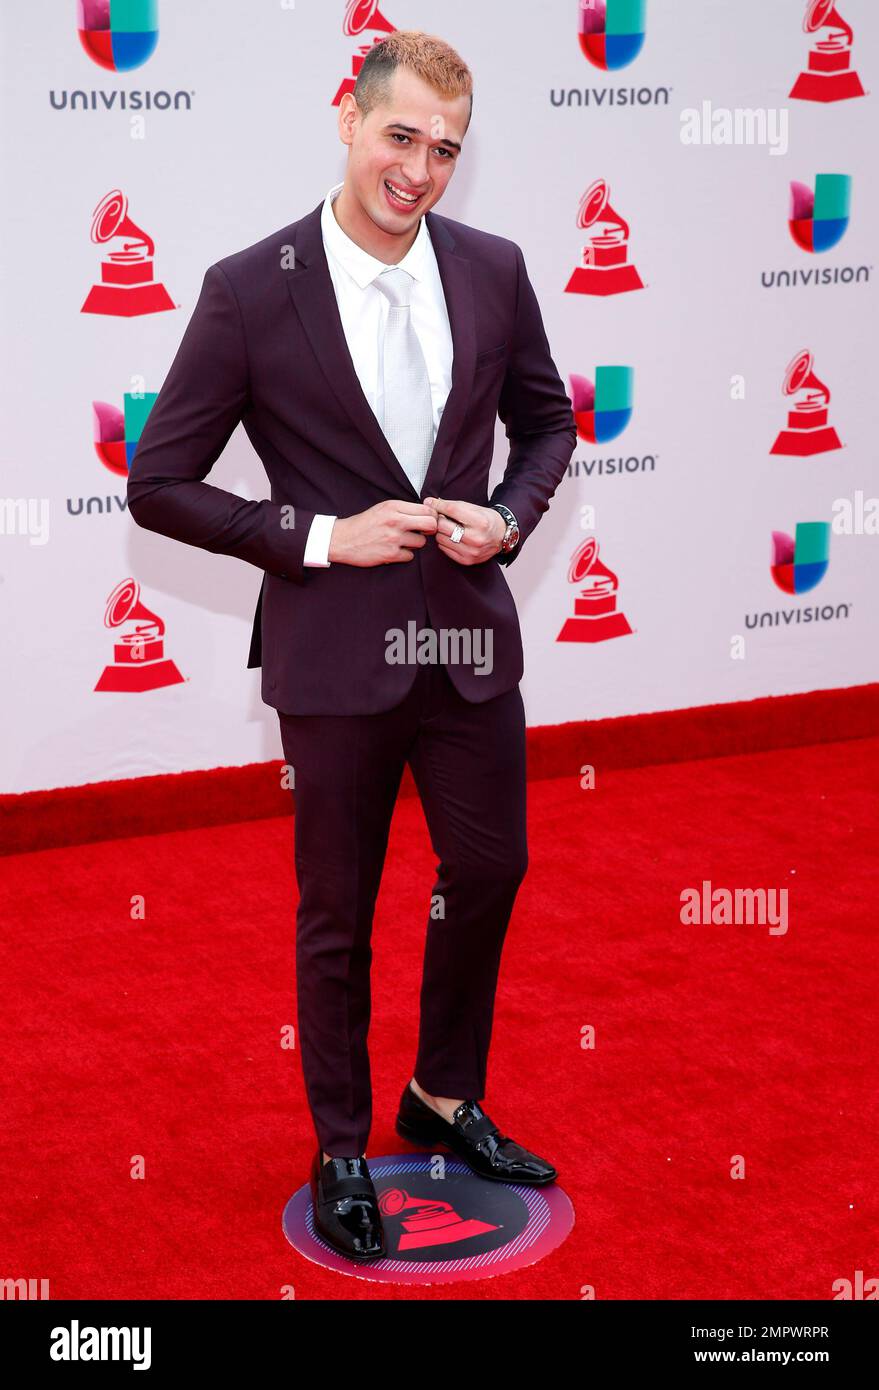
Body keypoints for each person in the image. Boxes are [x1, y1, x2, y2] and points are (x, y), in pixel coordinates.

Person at [127, 29, 577, 1262]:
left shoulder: (493, 268)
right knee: (340, 910)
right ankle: (339, 1143)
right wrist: (321, 536)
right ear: (347, 115)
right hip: (333, 653)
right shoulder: (248, 285)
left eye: (445, 148)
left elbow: (547, 425)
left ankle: (440, 1094)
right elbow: (158, 482)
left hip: (468, 642)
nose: (420, 169)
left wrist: (511, 515)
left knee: (487, 870)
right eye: (401, 136)